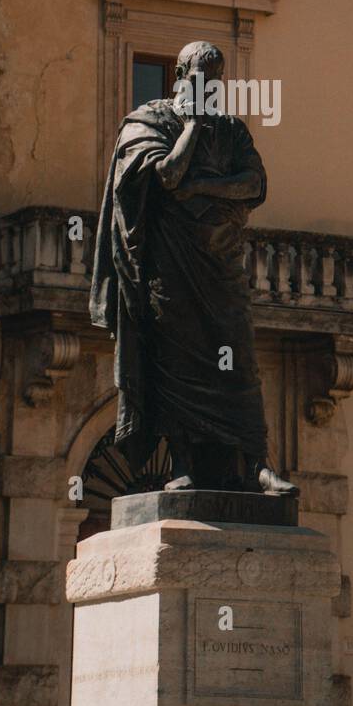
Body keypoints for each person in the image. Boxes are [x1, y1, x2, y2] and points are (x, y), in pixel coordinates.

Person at [90, 40, 296, 495]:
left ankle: (257, 463)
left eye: (216, 78)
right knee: (175, 364)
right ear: (180, 73)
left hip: (222, 267)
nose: (209, 86)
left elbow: (255, 183)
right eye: (202, 77)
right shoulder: (150, 121)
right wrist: (193, 128)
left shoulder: (233, 131)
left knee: (240, 363)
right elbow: (163, 176)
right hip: (170, 270)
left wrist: (202, 184)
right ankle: (181, 465)